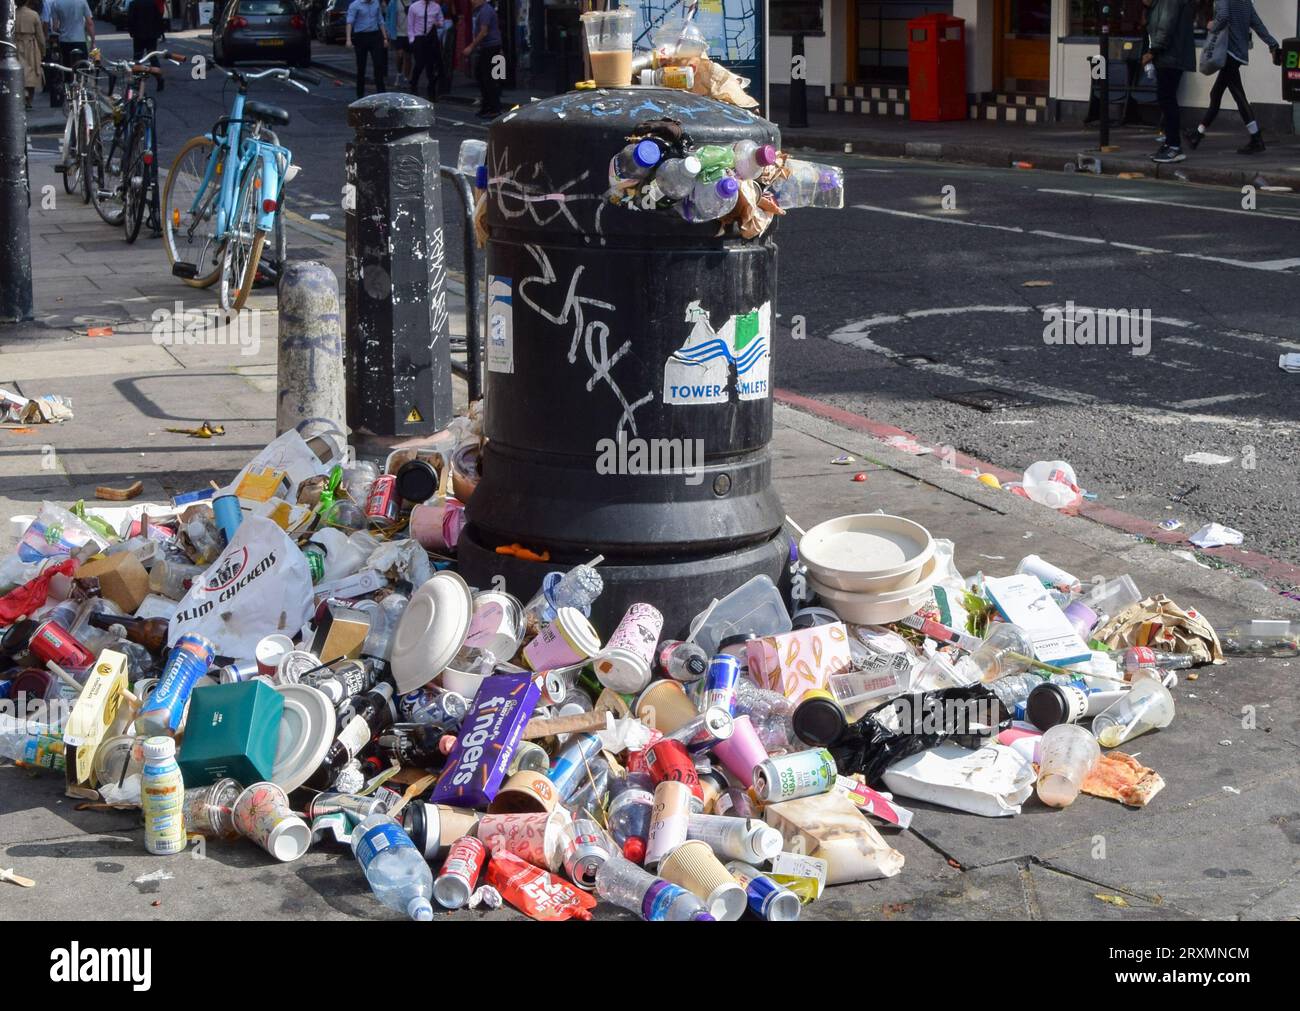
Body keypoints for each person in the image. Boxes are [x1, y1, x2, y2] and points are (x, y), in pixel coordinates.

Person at [1185, 0, 1280, 154]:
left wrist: (1212, 26)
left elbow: (1222, 17)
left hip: (1229, 53)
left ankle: (1256, 139)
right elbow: (1257, 23)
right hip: (1238, 54)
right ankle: (1197, 134)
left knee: (1238, 96)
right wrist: (1272, 44)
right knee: (1216, 94)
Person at [1142, 0, 1194, 163]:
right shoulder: (1160, 4)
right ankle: (1169, 143)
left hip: (1171, 57)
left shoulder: (1168, 2)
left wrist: (1152, 51)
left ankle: (1174, 146)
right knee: (1166, 99)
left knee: (1167, 99)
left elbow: (1166, 27)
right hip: (1169, 57)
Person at [49, 0, 95, 108]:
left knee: (67, 67)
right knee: (82, 68)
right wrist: (93, 40)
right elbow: (90, 23)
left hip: (64, 41)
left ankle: (69, 94)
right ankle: (82, 93)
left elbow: (55, 26)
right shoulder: (82, 2)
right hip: (79, 40)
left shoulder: (56, 3)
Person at [462, 0, 500, 119]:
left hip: (490, 46)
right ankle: (487, 106)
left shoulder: (485, 11)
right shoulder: (481, 11)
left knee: (488, 78)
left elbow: (484, 32)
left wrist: (471, 47)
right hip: (487, 46)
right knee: (481, 76)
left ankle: (493, 108)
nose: (471, 1)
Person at [346, 0, 388, 99]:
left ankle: (381, 93)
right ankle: (360, 95)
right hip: (361, 37)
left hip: (375, 36)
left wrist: (385, 38)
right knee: (361, 67)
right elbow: (349, 22)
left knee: (378, 64)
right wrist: (348, 39)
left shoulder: (376, 3)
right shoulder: (355, 5)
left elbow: (380, 20)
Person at [127, 0, 168, 89]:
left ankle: (137, 82)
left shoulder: (133, 4)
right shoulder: (153, 4)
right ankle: (159, 78)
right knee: (152, 56)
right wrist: (159, 32)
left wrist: (131, 32)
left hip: (138, 35)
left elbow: (130, 19)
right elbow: (159, 18)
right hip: (152, 35)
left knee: (137, 58)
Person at [406, 0, 442, 101]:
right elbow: (410, 25)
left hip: (431, 38)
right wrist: (412, 40)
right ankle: (413, 84)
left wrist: (438, 23)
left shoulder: (436, 7)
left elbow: (441, 21)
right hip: (419, 38)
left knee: (430, 66)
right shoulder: (414, 7)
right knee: (420, 63)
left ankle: (431, 92)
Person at [15, 0, 47, 110]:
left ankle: (21, 97)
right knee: (31, 72)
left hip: (15, 45)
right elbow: (40, 36)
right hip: (31, 47)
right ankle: (29, 100)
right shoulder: (33, 15)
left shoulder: (13, 14)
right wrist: (43, 51)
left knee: (19, 71)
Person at [385, 0, 410, 86]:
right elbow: (388, 16)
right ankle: (399, 74)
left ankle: (407, 78)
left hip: (410, 34)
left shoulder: (414, 2)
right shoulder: (394, 2)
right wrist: (388, 30)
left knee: (408, 57)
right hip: (398, 33)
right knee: (400, 55)